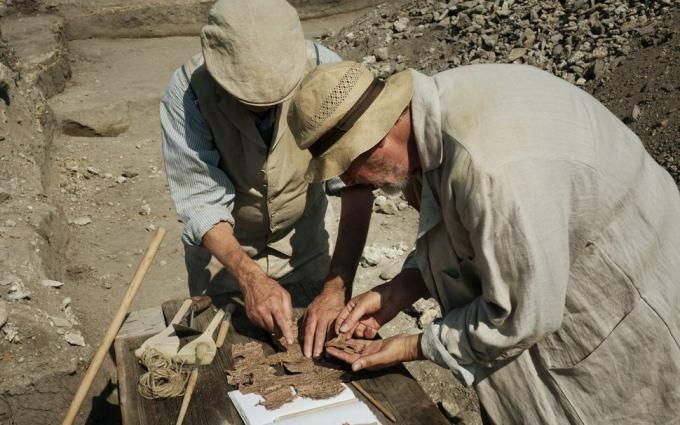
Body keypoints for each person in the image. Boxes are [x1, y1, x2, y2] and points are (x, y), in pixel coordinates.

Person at [288, 60, 680, 423]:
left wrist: (414, 346)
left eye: (350, 170)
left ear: (375, 140)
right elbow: (464, 235)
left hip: (620, 292)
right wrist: (397, 290)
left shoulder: (490, 167)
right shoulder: (424, 132)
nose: (354, 184)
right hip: (547, 277)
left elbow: (521, 315)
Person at [160, 0, 373, 354]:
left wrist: (336, 286)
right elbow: (201, 202)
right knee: (223, 362)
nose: (262, 107)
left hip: (305, 247)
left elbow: (356, 185)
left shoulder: (329, 76)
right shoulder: (188, 94)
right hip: (225, 257)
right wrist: (249, 277)